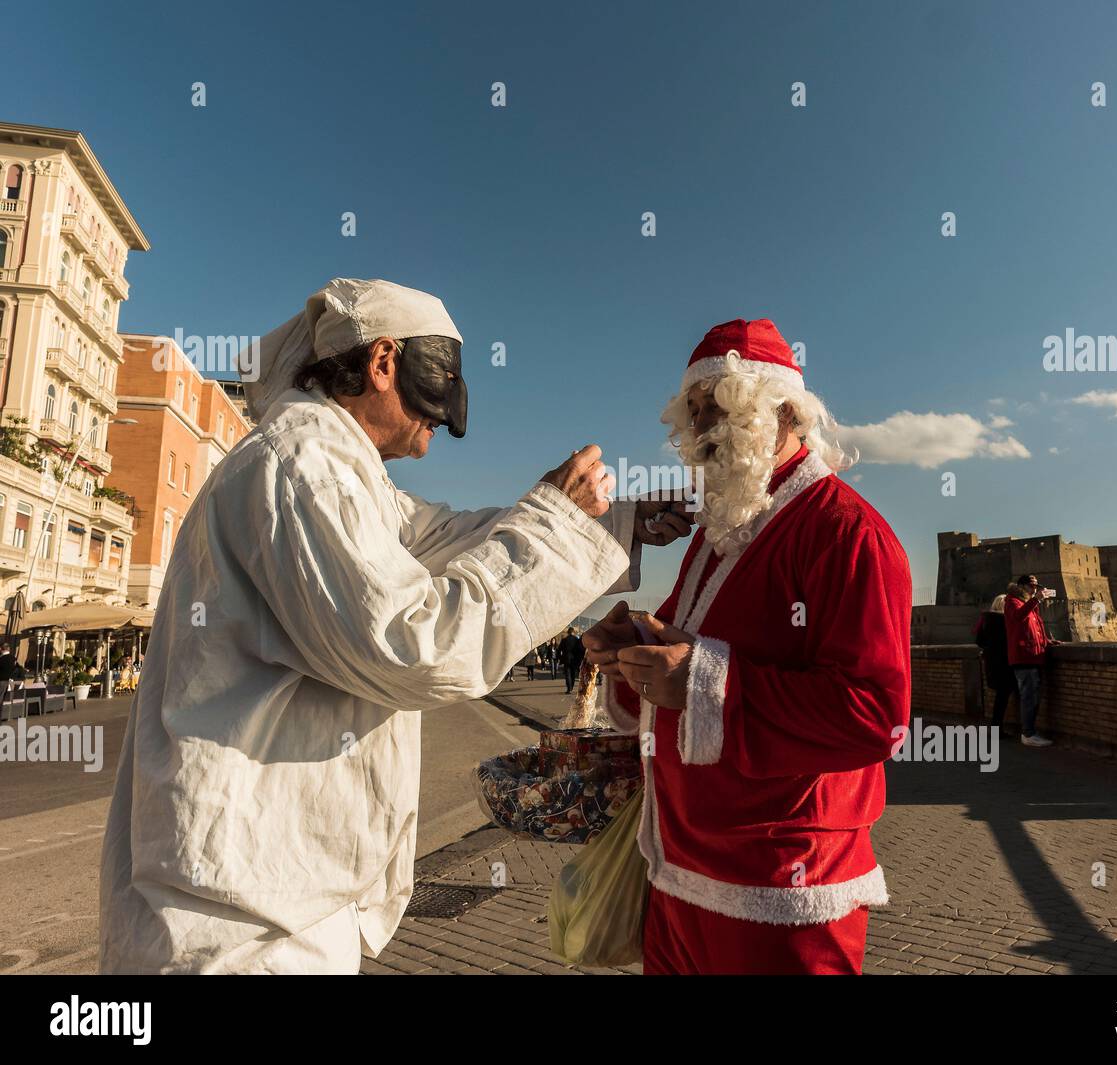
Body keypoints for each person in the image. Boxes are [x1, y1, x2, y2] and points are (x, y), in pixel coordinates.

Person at [99, 278, 692, 974]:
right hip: (236, 926)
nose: (453, 414)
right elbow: (414, 645)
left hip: (279, 902)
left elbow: (448, 537)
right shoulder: (299, 469)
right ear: (382, 362)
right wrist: (557, 521)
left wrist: (602, 522)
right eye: (442, 376)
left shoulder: (349, 476)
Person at [584, 318, 911, 975]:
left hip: (784, 895)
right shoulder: (717, 533)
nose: (704, 429)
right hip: (678, 878)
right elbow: (677, 656)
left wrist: (703, 680)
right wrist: (626, 650)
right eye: (696, 412)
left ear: (784, 410)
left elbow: (878, 715)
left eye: (721, 409)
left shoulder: (849, 534)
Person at [1002, 575, 1054, 747]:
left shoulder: (1028, 603)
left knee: (1032, 696)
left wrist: (1046, 641)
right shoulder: (1013, 601)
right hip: (1023, 656)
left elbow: (1035, 628)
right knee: (1029, 697)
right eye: (1031, 586)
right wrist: (1036, 600)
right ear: (1022, 586)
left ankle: (1030, 732)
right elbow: (1018, 618)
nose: (1034, 589)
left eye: (1036, 587)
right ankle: (1028, 734)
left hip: (1033, 655)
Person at [973, 595, 1015, 736]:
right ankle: (997, 730)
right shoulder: (1005, 620)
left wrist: (990, 649)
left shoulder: (986, 620)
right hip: (1005, 663)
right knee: (1002, 697)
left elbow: (979, 641)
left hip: (992, 663)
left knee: (1000, 697)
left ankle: (997, 728)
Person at [559, 626, 584, 693]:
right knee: (573, 674)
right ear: (573, 632)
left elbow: (559, 649)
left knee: (567, 674)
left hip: (566, 659)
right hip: (574, 659)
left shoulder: (564, 640)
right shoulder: (576, 640)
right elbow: (579, 650)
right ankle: (571, 687)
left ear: (568, 632)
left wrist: (561, 658)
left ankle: (569, 688)